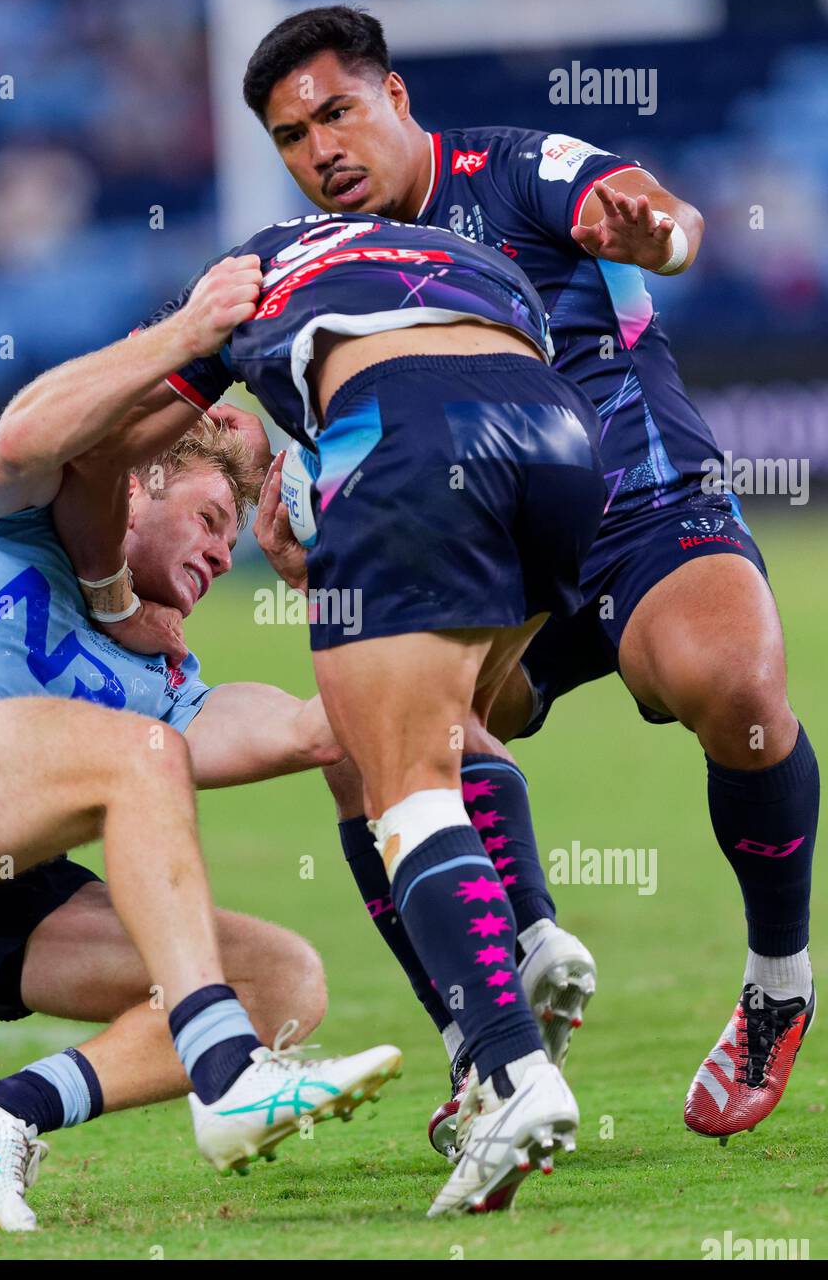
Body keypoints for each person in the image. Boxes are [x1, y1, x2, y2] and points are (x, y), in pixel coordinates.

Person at [240, 5, 819, 1146]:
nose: (322, 151)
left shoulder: (509, 169)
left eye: (336, 113)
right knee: (361, 747)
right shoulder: (316, 269)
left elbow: (652, 214)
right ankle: (484, 1040)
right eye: (292, 137)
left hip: (639, 510)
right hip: (486, 560)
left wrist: (661, 237)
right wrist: (313, 547)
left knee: (734, 688)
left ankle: (776, 983)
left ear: (395, 99)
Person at [0, 257, 401, 1233]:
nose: (216, 553)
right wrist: (194, 337)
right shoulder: (6, 508)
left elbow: (322, 729)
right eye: (208, 519)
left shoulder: (159, 681)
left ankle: (5, 1111)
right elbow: (49, 433)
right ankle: (228, 1077)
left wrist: (313, 588)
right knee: (140, 755)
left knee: (283, 982)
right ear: (141, 480)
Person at [55, 209, 607, 1216]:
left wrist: (114, 601)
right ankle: (520, 944)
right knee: (425, 727)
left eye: (228, 527)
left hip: (407, 434)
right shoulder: (453, 249)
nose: (225, 560)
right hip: (560, 435)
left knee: (401, 782)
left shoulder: (247, 275)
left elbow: (85, 451)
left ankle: (513, 1070)